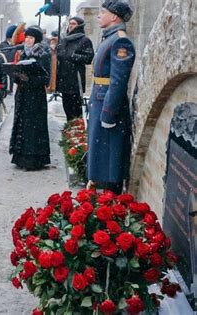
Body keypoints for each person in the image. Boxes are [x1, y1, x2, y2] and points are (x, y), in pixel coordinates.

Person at [87, 0, 135, 195]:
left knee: (108, 159)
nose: (99, 15)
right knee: (99, 155)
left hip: (107, 105)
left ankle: (109, 200)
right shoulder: (109, 38)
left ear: (114, 16)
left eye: (102, 12)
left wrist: (108, 113)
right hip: (99, 100)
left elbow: (117, 82)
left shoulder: (120, 41)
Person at [9, 25, 52, 171]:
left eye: (31, 37)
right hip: (22, 94)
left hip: (35, 96)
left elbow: (46, 79)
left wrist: (29, 79)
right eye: (26, 37)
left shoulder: (43, 54)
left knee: (33, 127)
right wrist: (16, 75)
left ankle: (33, 158)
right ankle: (20, 157)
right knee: (22, 123)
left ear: (37, 39)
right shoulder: (23, 54)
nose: (27, 40)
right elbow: (18, 73)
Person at [56, 16, 94, 121]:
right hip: (64, 80)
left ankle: (75, 133)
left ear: (79, 26)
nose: (70, 25)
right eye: (70, 23)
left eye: (73, 23)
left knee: (76, 111)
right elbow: (59, 54)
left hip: (75, 81)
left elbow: (88, 58)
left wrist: (74, 56)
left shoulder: (85, 40)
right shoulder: (64, 39)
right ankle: (69, 130)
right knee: (67, 109)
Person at [0, 24, 18, 94]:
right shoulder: (3, 44)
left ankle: (10, 90)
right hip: (6, 68)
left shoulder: (17, 45)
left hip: (13, 68)